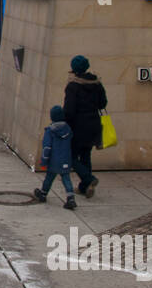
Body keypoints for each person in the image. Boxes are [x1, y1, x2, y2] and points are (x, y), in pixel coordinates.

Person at [63, 55, 107, 198]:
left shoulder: (73, 86)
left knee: (71, 156)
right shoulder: (97, 84)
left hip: (78, 126)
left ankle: (89, 179)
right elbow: (103, 103)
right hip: (93, 124)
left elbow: (69, 110)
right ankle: (84, 187)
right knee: (86, 155)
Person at [34, 105, 77, 210]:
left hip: (54, 160)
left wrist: (44, 161)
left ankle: (43, 194)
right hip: (66, 159)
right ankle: (70, 197)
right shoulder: (68, 129)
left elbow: (47, 147)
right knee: (66, 178)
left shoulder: (50, 131)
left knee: (49, 177)